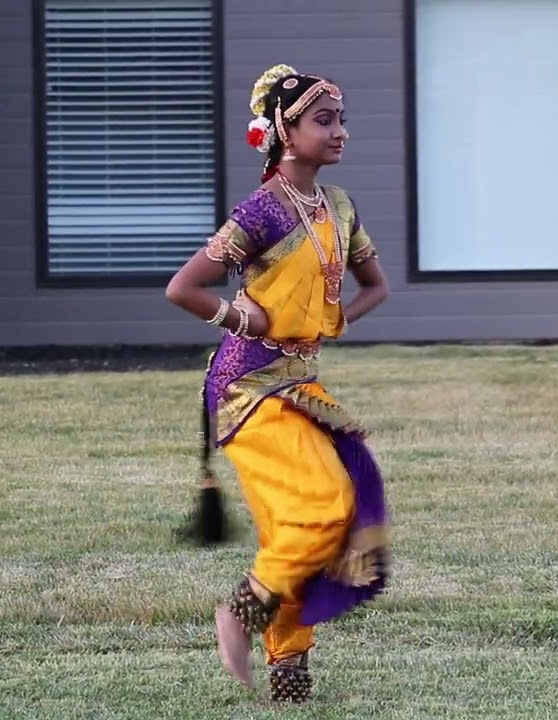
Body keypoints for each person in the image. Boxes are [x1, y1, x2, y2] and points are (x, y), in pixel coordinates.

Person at [164, 63, 391, 703]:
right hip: (246, 386)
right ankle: (243, 610)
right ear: (285, 133)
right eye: (324, 120)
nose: (339, 131)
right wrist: (239, 315)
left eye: (341, 119)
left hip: (300, 385)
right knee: (322, 509)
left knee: (314, 519)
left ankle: (289, 672)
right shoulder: (262, 210)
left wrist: (333, 318)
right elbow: (183, 288)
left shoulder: (339, 207)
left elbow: (375, 287)